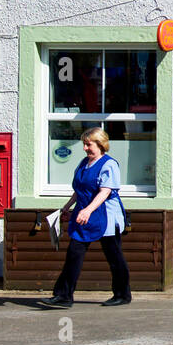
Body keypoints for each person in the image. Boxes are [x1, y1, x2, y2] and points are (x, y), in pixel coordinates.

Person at [42, 127, 131, 308]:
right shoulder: (84, 163)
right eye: (84, 144)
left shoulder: (109, 165)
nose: (85, 148)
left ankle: (122, 294)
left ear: (100, 144)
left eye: (88, 144)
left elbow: (105, 192)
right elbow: (79, 190)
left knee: (114, 256)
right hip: (84, 214)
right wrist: (67, 208)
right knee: (74, 253)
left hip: (105, 216)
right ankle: (64, 295)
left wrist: (88, 210)